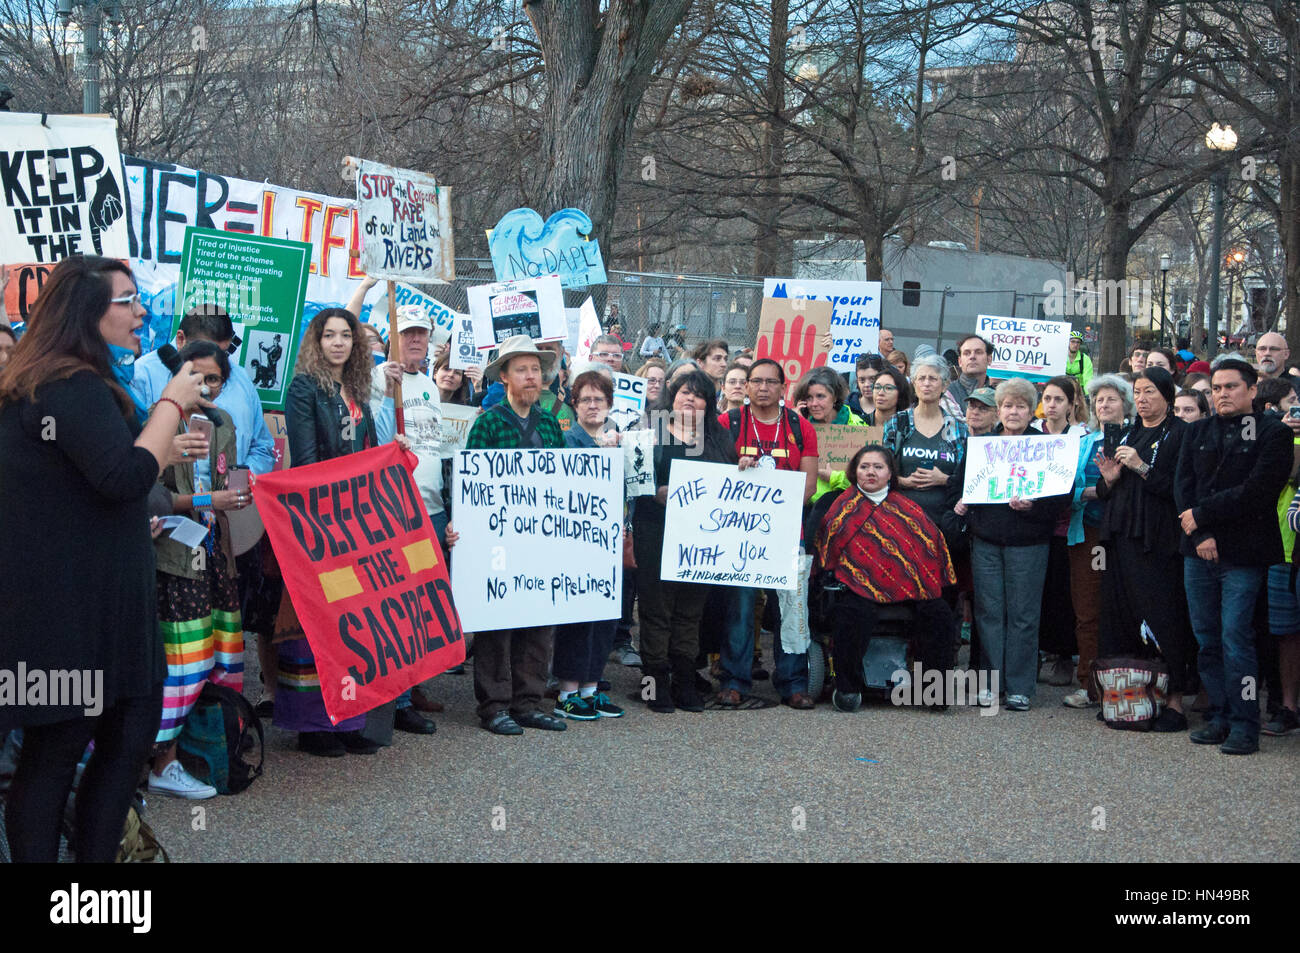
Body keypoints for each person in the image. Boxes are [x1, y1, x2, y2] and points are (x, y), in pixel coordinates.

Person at [0, 255, 204, 860]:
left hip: (94, 612)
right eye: (126, 299)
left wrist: (161, 445)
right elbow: (120, 477)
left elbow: (91, 482)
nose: (142, 311)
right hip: (76, 621)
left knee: (106, 750)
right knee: (57, 761)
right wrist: (170, 403)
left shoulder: (59, 381)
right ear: (86, 311)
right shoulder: (68, 384)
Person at [275, 307, 395, 756]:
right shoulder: (305, 388)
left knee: (353, 618)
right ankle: (313, 725)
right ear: (317, 341)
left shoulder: (359, 389)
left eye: (346, 335)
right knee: (317, 621)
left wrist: (388, 456)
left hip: (357, 520)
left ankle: (349, 720)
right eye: (330, 336)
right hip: (319, 519)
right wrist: (339, 498)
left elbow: (364, 449)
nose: (339, 343)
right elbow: (305, 461)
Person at [149, 340, 252, 798]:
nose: (205, 387)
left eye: (214, 379)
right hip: (175, 558)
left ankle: (210, 745)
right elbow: (147, 494)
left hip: (217, 555)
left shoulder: (223, 422)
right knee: (184, 663)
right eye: (198, 377)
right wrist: (206, 500)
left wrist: (236, 494)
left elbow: (230, 482)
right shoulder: (159, 419)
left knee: (225, 656)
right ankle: (160, 760)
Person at [1175, 358, 1293, 754]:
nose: (1223, 394)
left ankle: (1246, 722)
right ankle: (1220, 715)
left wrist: (1203, 516)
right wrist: (1201, 532)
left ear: (1253, 390)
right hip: (1198, 550)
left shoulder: (1272, 434)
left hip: (1244, 554)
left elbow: (1257, 492)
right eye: (1217, 388)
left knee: (1236, 637)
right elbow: (1184, 488)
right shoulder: (1198, 432)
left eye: (1231, 387)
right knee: (1207, 637)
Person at [464, 336, 570, 735]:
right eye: (522, 369)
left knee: (539, 620)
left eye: (536, 370)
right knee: (497, 623)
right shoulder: (488, 423)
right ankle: (494, 704)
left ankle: (529, 701)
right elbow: (472, 485)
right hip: (498, 543)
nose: (532, 376)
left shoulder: (550, 425)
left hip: (540, 539)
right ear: (504, 376)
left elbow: (563, 484)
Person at [950, 377, 1072, 711]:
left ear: (1031, 410)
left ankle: (1019, 686)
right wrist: (962, 504)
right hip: (986, 540)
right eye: (1007, 405)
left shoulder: (1045, 444)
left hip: (1029, 542)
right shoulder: (983, 444)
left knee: (1023, 614)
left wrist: (1034, 505)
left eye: (1020, 405)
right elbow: (961, 485)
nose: (1013, 411)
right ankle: (991, 684)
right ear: (998, 409)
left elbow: (1064, 494)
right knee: (989, 613)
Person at [812, 444, 956, 712]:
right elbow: (826, 554)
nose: (870, 472)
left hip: (909, 589)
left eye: (878, 467)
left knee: (938, 613)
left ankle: (934, 690)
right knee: (851, 614)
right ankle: (848, 688)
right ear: (855, 471)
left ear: (890, 473)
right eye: (864, 467)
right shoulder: (841, 508)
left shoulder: (908, 509)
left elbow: (929, 548)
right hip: (858, 587)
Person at [366, 304, 451, 735]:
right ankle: (396, 699)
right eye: (408, 333)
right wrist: (384, 389)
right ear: (393, 336)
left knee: (423, 604)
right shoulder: (382, 379)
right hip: (400, 511)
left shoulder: (432, 387)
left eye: (422, 334)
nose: (416, 340)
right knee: (400, 604)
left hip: (432, 508)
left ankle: (413, 685)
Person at [718, 358, 820, 708]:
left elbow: (808, 486)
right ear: (745, 386)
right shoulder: (728, 423)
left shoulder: (800, 427)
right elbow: (716, 478)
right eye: (756, 381)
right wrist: (737, 470)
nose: (763, 388)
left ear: (783, 387)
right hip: (741, 535)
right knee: (742, 607)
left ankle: (793, 682)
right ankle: (734, 680)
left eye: (771, 382)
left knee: (791, 608)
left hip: (788, 531)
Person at [1094, 368, 1192, 731]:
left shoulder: (1181, 433)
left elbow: (1179, 488)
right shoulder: (1130, 431)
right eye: (1138, 391)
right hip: (1121, 535)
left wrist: (1141, 466)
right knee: (1121, 616)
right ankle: (1125, 695)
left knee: (1162, 615)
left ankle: (1176, 700)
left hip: (1158, 538)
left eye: (1150, 391)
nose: (1143, 398)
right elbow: (1110, 492)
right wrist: (1109, 480)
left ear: (1167, 394)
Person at [635, 371, 738, 712]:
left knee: (689, 613)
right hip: (656, 531)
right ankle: (654, 686)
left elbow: (730, 485)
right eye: (683, 392)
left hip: (700, 540)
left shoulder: (719, 437)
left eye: (698, 395)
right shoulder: (650, 429)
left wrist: (747, 468)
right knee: (656, 611)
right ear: (672, 395)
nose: (689, 399)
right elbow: (631, 480)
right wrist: (654, 493)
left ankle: (684, 682)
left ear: (708, 404)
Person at [551, 370, 626, 720]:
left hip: (611, 542)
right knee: (578, 618)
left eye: (599, 400)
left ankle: (591, 690)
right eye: (586, 400)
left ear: (609, 404)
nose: (593, 405)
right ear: (575, 406)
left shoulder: (625, 442)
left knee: (606, 616)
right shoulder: (567, 442)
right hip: (575, 543)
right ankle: (567, 693)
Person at [1062, 374, 1132, 709]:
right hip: (1088, 535)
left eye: (1112, 400)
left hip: (1125, 536)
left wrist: (1111, 487)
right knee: (1087, 610)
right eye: (1099, 401)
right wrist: (1099, 489)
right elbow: (1068, 491)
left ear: (1125, 404)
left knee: (1123, 609)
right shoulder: (1084, 442)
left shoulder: (1137, 440)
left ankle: (1125, 681)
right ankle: (1088, 684)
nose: (1104, 405)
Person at [1034, 376, 1088, 687]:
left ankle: (1064, 656)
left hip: (1066, 526)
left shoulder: (1080, 437)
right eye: (1048, 399)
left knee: (1061, 593)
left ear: (1071, 404)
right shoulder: (1032, 434)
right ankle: (1039, 651)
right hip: (1033, 524)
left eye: (1058, 400)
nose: (1052, 405)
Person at [883, 354, 967, 530]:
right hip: (900, 519)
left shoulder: (958, 428)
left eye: (933, 378)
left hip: (943, 522)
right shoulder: (897, 422)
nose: (926, 383)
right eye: (921, 378)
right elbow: (882, 470)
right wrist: (904, 482)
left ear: (945, 385)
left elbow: (967, 480)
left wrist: (944, 480)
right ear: (913, 383)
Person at [943, 334, 992, 419]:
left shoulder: (999, 396)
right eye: (967, 353)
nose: (972, 357)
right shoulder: (948, 393)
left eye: (978, 352)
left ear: (989, 359)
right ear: (960, 361)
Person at [864, 364, 909, 428]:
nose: (880, 393)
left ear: (900, 393)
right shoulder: (859, 423)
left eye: (888, 388)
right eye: (877, 387)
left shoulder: (907, 428)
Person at [849, 353, 884, 418]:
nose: (867, 384)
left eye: (872, 379)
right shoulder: (846, 409)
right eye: (862, 380)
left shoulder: (891, 407)